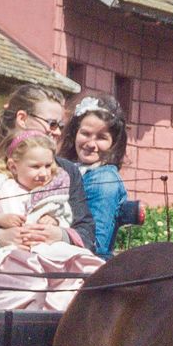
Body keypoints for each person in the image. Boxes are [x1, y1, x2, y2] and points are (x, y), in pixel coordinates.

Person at [0, 127, 103, 311]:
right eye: (35, 167)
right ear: (13, 166)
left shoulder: (53, 190)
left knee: (81, 273)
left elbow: (66, 216)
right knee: (27, 280)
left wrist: (56, 226)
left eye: (48, 166)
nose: (43, 173)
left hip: (49, 254)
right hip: (8, 259)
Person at [0, 82, 90, 256]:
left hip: (54, 267)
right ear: (22, 119)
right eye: (52, 124)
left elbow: (86, 232)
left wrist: (59, 234)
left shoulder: (66, 171)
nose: (57, 132)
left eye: (60, 126)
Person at [61, 94, 143, 254]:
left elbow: (94, 244)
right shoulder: (71, 169)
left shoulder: (103, 179)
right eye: (85, 133)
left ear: (113, 143)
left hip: (83, 267)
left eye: (101, 138)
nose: (91, 144)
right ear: (75, 133)